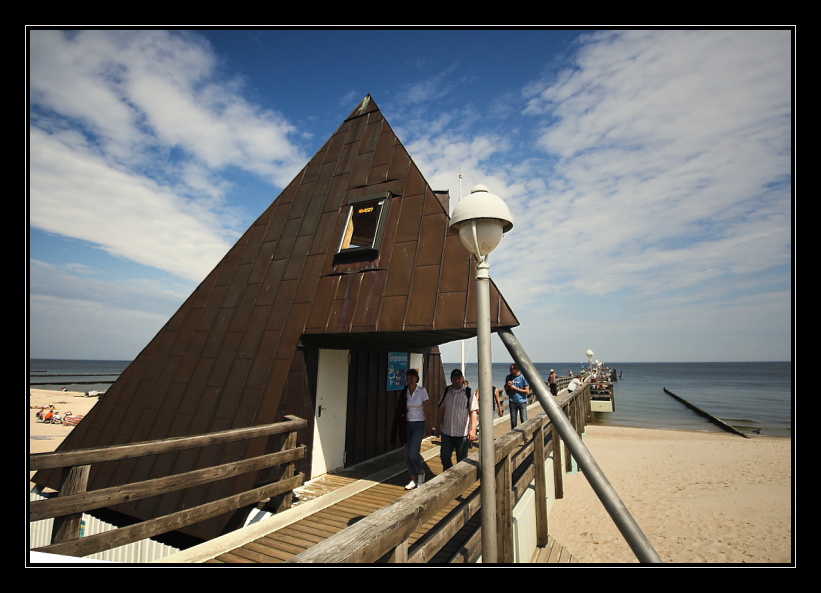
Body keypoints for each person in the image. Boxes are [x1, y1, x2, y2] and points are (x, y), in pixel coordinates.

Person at [390, 369, 430, 490]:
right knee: (407, 455)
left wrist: (429, 425)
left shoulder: (422, 391)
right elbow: (401, 409)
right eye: (408, 377)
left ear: (416, 378)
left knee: (413, 453)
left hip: (419, 424)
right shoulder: (405, 392)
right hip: (407, 425)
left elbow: (427, 409)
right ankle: (413, 479)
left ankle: (421, 473)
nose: (410, 379)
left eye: (412, 377)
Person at [437, 369, 478, 471]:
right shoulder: (446, 391)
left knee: (462, 461)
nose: (456, 381)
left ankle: (459, 480)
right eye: (454, 379)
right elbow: (441, 410)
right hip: (447, 432)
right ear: (451, 379)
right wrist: (438, 426)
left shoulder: (469, 393)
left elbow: (473, 412)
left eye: (459, 378)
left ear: (462, 379)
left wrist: (472, 430)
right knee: (444, 457)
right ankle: (449, 476)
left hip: (462, 433)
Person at [505, 364, 530, 429]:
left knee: (524, 420)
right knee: (513, 421)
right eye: (510, 369)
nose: (510, 371)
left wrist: (515, 388)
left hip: (522, 401)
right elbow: (506, 389)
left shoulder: (523, 377)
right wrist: (508, 385)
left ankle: (525, 435)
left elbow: (527, 391)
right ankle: (513, 435)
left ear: (516, 370)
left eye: (511, 369)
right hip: (512, 401)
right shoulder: (509, 377)